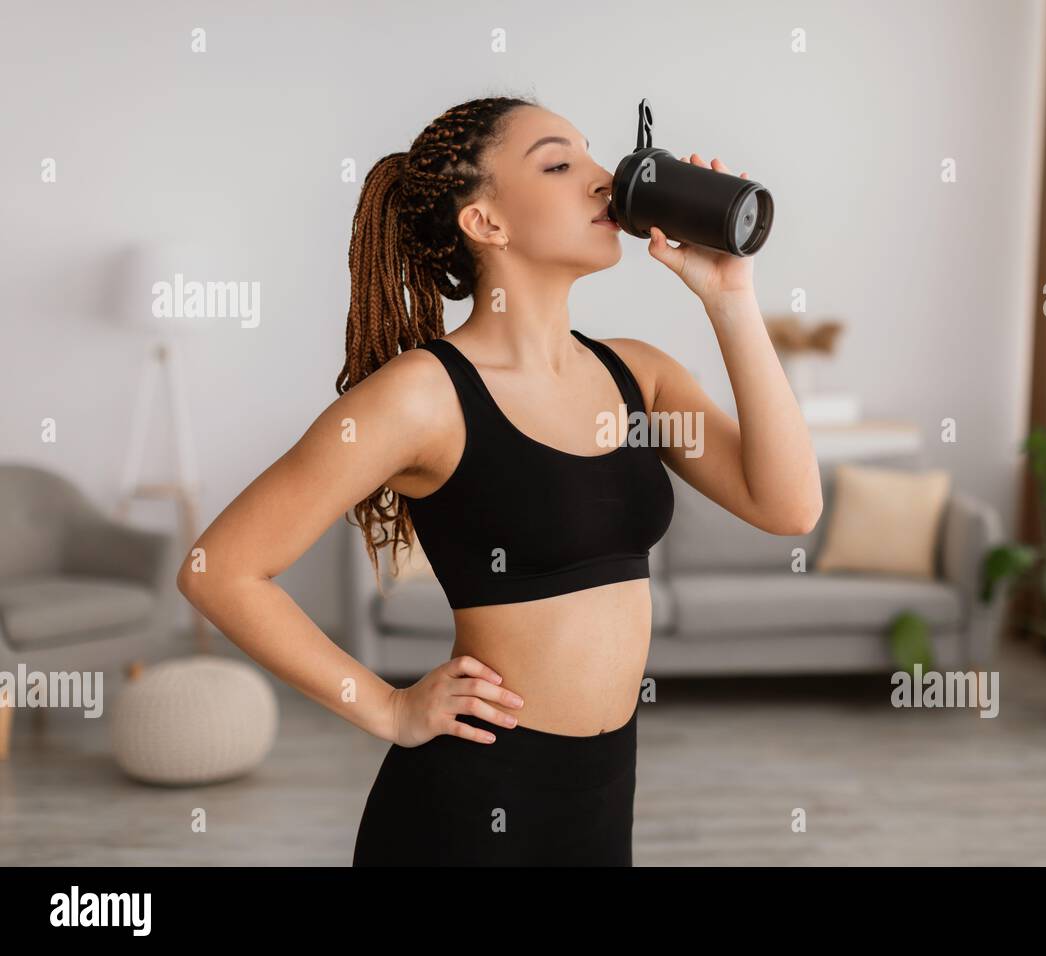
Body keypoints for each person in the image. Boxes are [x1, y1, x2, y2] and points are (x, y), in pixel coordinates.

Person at [176, 94, 822, 866]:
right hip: (473, 800)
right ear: (485, 223)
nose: (599, 178)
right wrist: (385, 705)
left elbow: (789, 507)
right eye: (558, 162)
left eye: (589, 154)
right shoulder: (423, 396)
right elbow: (220, 570)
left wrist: (731, 299)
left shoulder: (637, 375)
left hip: (604, 793)